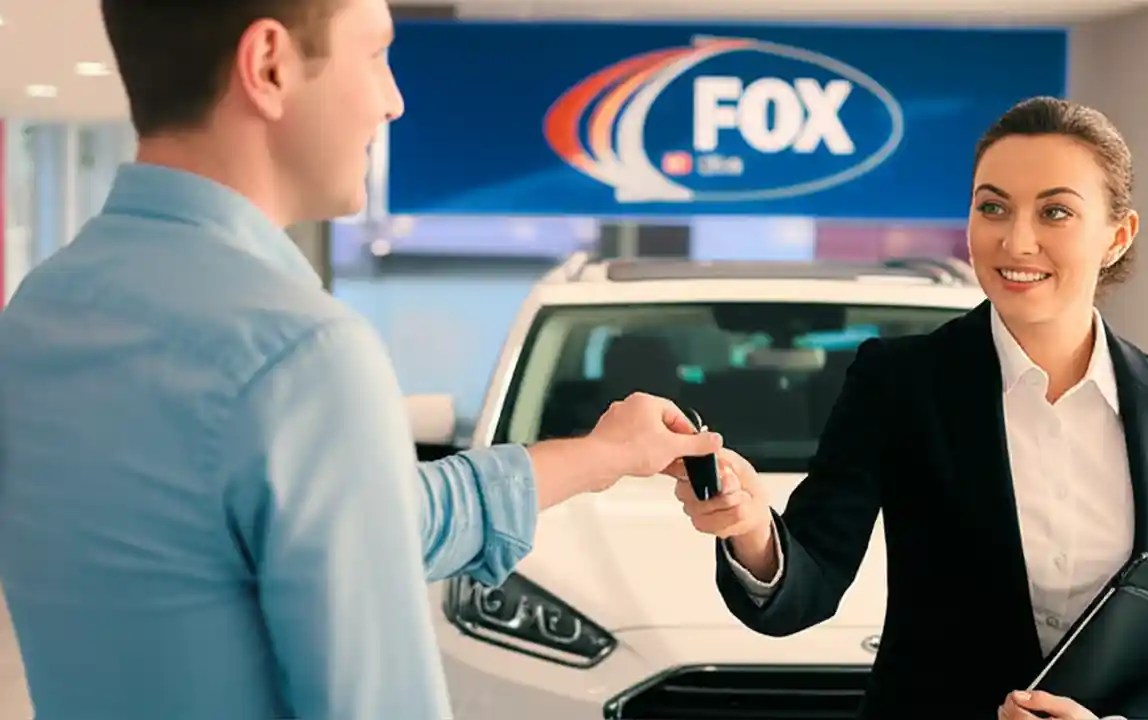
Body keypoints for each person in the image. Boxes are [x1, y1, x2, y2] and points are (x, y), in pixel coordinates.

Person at [0, 1, 722, 719]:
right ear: (270, 66)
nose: (393, 100)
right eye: (376, 54)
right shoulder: (300, 356)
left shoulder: (42, 314)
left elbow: (394, 518)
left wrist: (604, 454)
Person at [674, 96, 1148, 719]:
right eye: (993, 207)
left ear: (1117, 237)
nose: (1016, 239)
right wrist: (753, 530)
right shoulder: (899, 382)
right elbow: (808, 586)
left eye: (1055, 211)